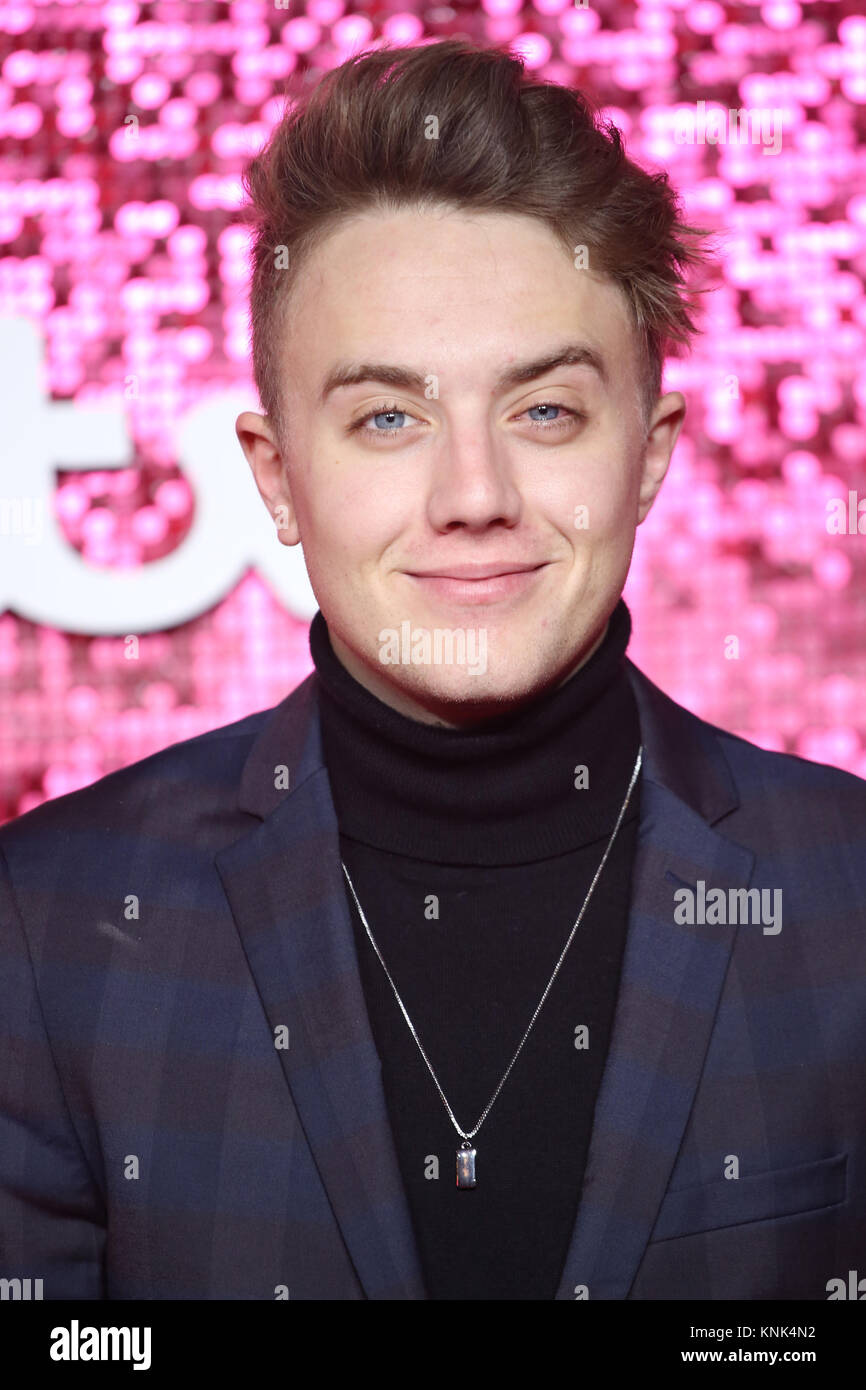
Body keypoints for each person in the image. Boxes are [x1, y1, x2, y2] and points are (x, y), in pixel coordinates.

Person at [1, 38, 864, 1302]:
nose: (474, 496)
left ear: (649, 450)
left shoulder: (843, 890)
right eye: (388, 419)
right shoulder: (49, 925)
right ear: (278, 478)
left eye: (545, 410)